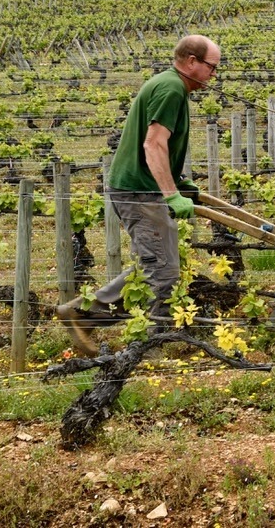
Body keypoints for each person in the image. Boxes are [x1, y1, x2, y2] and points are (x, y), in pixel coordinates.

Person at [57, 34, 221, 356]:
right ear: (192, 62)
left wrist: (177, 182)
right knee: (162, 270)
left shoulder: (170, 85)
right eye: (212, 67)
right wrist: (171, 194)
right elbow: (153, 143)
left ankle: (84, 314)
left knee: (158, 265)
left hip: (142, 187)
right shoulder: (171, 89)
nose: (214, 75)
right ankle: (147, 346)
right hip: (139, 191)